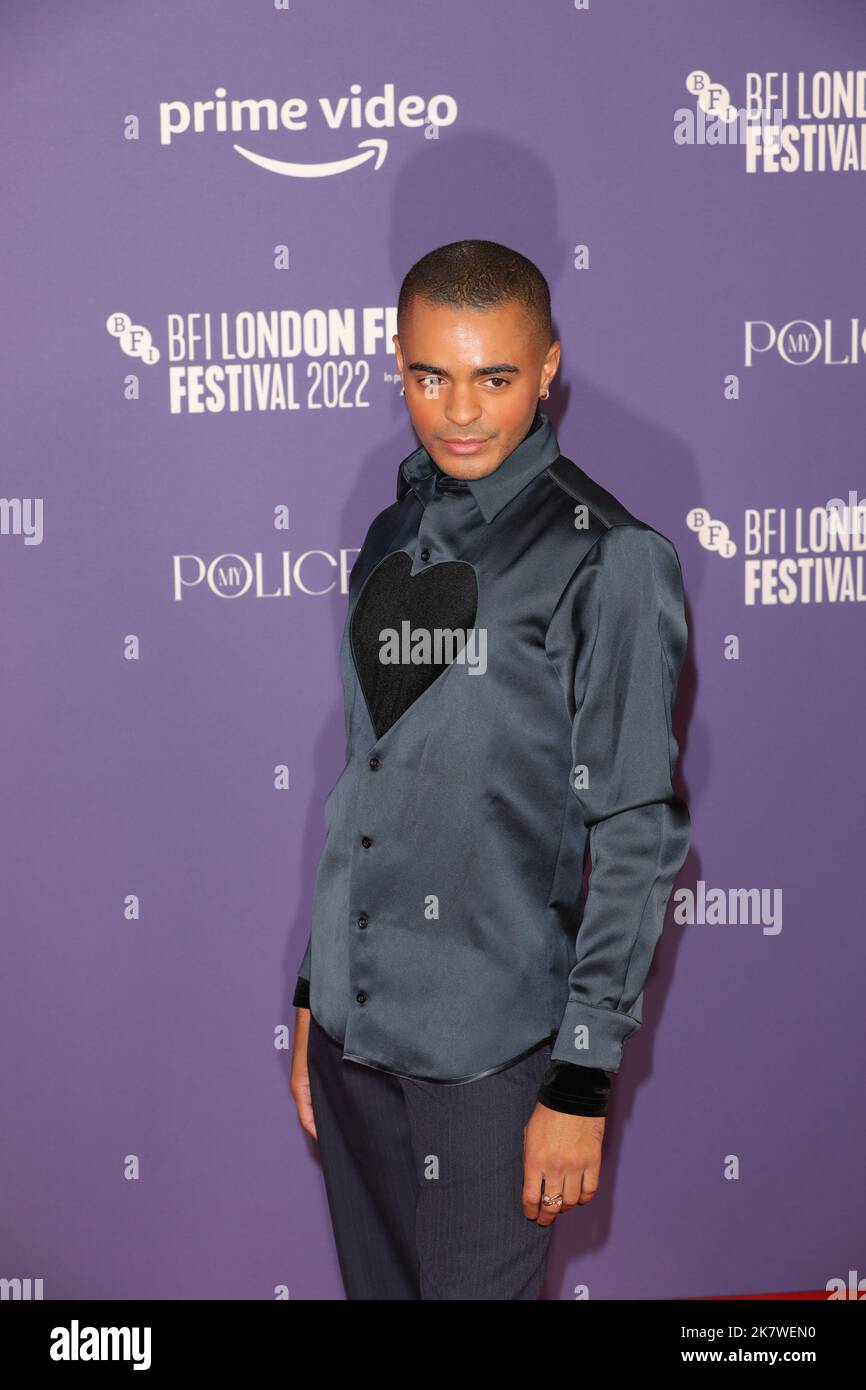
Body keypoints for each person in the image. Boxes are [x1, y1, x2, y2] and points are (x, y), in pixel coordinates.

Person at [289, 239, 691, 1300]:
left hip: (487, 1063)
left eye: (495, 377)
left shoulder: (606, 558)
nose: (459, 410)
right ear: (396, 362)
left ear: (548, 367)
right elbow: (368, 776)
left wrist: (578, 1079)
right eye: (431, 376)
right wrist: (312, 992)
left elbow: (638, 830)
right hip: (351, 1043)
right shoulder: (390, 525)